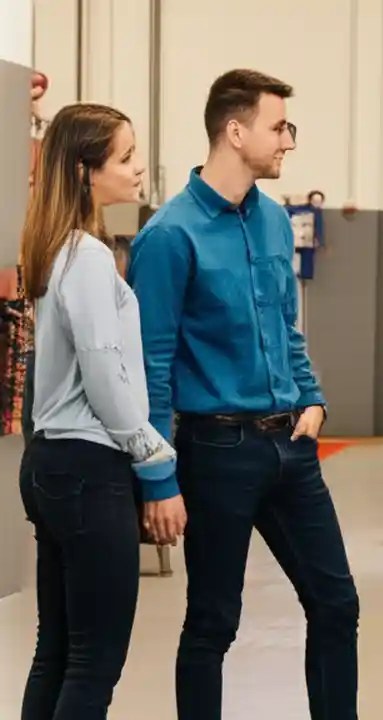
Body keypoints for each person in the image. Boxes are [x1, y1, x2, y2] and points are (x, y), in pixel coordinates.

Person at [126, 69, 360, 720]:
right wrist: (158, 478)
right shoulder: (169, 236)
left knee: (337, 604)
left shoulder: (274, 222)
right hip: (216, 450)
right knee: (213, 622)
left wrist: (310, 396)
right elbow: (153, 361)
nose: (288, 140)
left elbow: (285, 323)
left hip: (291, 444)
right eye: (279, 126)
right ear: (235, 131)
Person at [18, 102, 185, 720]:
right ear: (87, 171)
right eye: (126, 157)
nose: (139, 168)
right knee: (94, 663)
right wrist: (152, 452)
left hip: (52, 466)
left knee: (57, 652)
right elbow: (105, 371)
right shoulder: (86, 256)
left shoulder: (53, 249)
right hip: (89, 470)